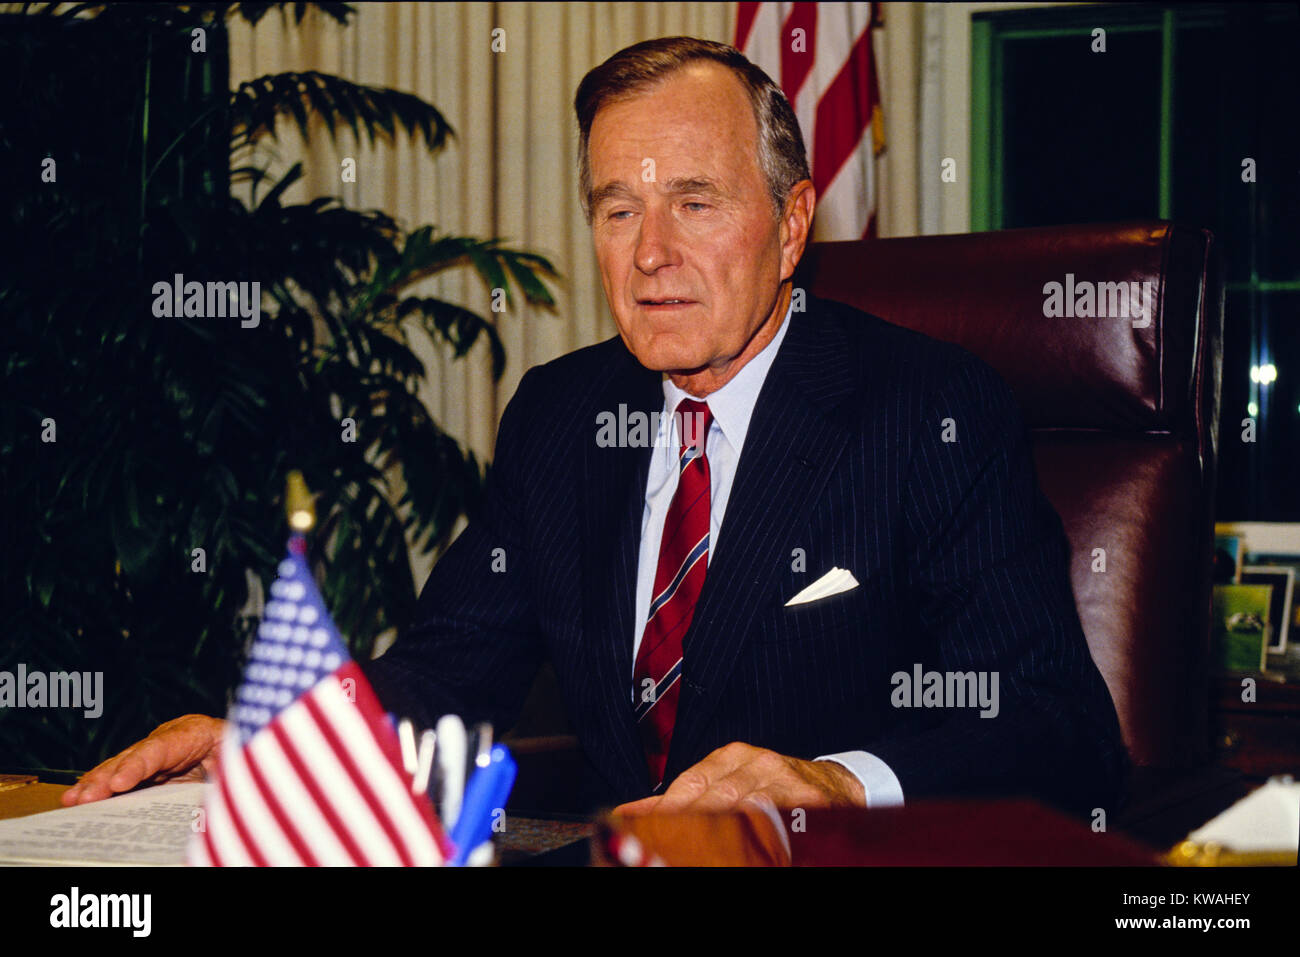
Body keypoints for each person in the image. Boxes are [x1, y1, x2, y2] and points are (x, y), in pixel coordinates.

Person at [64, 37, 1127, 819]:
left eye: (696, 203)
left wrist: (836, 782)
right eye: (618, 209)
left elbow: (1048, 723)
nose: (649, 252)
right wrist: (275, 742)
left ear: (792, 223)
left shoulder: (928, 410)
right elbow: (447, 671)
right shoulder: (564, 414)